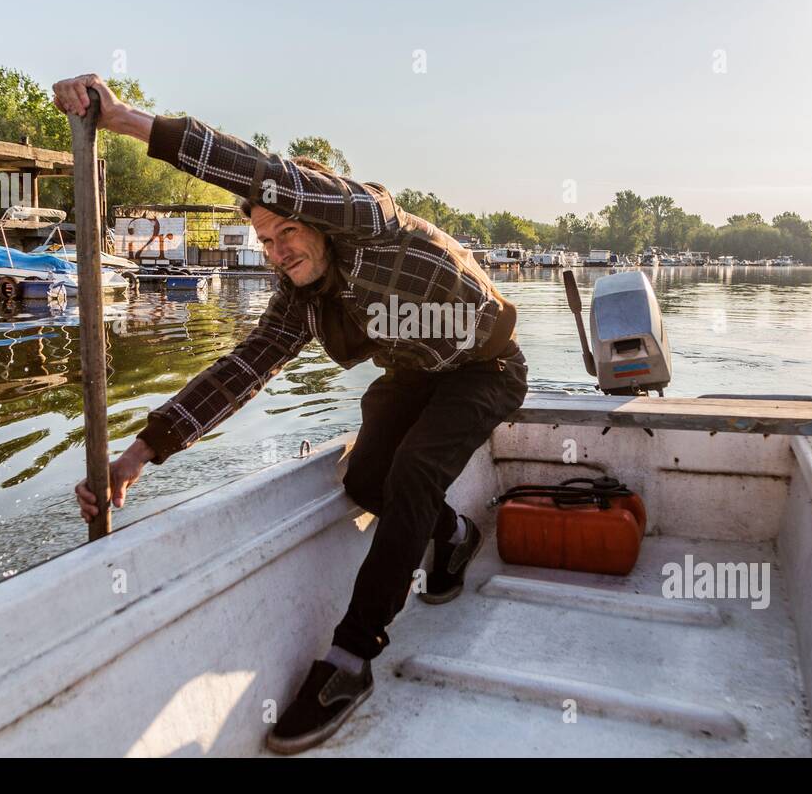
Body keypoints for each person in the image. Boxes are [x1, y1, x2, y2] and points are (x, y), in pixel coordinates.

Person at [53, 74, 529, 754]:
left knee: (416, 469)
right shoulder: (299, 295)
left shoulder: (369, 221)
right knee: (367, 484)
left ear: (317, 218)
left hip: (486, 369)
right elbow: (238, 374)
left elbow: (260, 170)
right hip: (415, 372)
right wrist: (136, 456)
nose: (280, 251)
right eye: (266, 242)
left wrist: (125, 119)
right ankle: (450, 534)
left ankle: (350, 660)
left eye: (288, 232)